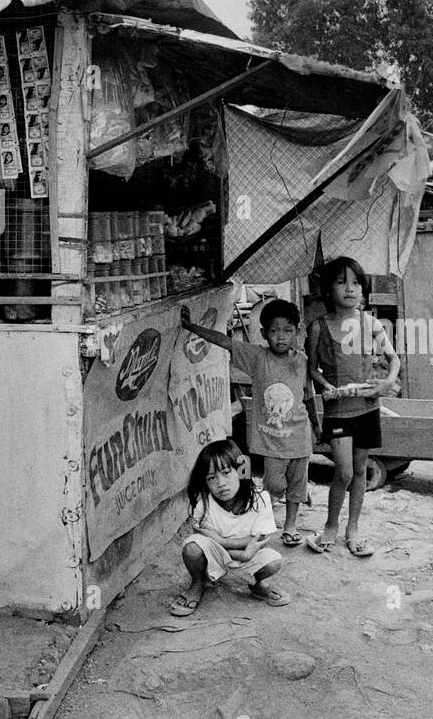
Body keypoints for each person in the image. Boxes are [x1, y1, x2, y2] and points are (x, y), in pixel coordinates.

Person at [183, 299, 319, 549]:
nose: (281, 337)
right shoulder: (257, 357)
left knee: (297, 486)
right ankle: (274, 507)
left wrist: (317, 425)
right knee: (275, 485)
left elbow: (308, 394)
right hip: (271, 441)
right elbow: (225, 342)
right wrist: (192, 327)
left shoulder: (302, 361)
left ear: (297, 332)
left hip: (299, 436)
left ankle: (290, 526)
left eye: (288, 331)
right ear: (264, 333)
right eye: (274, 331)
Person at [305, 257, 401, 558]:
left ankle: (353, 529)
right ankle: (331, 526)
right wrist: (325, 386)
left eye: (356, 282)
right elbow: (312, 369)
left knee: (360, 470)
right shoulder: (319, 326)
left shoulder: (371, 323)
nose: (349, 288)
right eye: (341, 282)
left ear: (363, 289)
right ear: (328, 289)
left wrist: (387, 383)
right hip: (337, 410)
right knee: (343, 472)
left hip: (368, 408)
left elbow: (393, 360)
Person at [170, 438, 289, 617]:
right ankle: (198, 583)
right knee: (192, 548)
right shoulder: (205, 503)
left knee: (274, 561)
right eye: (212, 478)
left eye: (226, 472)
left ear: (242, 471)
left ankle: (258, 585)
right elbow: (206, 542)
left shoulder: (261, 499)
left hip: (247, 556)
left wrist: (227, 545)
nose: (221, 483)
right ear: (205, 482)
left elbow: (260, 539)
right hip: (219, 556)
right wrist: (241, 552)